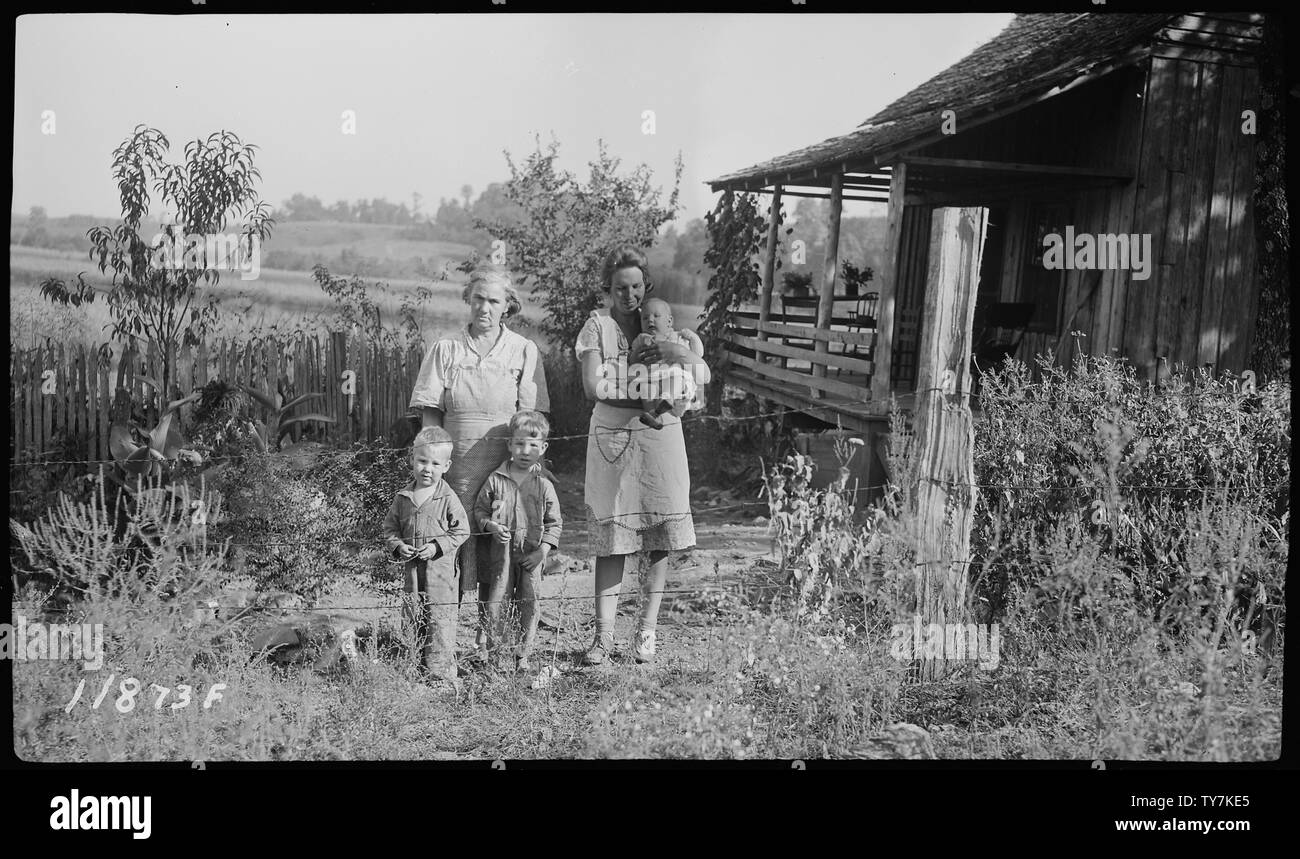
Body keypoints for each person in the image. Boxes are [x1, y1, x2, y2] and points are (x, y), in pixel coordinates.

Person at [575, 246, 710, 665]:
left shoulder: (667, 326)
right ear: (607, 289)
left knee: (658, 537)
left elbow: (697, 392)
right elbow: (591, 387)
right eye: (620, 288)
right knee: (613, 538)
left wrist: (681, 357)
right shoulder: (597, 327)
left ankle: (646, 635)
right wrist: (642, 397)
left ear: (645, 286)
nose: (629, 296)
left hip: (662, 440)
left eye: (636, 286)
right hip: (612, 439)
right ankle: (603, 637)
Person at [409, 264, 550, 663]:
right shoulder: (446, 348)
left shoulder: (523, 350)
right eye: (478, 299)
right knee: (447, 553)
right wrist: (436, 465)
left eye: (494, 301)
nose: (485, 308)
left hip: (505, 470)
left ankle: (494, 647)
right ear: (467, 301)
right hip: (455, 471)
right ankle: (439, 649)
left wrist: (526, 469)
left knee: (499, 552)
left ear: (508, 306)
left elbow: (533, 418)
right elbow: (431, 415)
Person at [472, 409, 563, 673]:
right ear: (509, 444)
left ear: (543, 447)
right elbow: (480, 511)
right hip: (501, 558)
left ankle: (522, 655)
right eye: (519, 443)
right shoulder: (495, 479)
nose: (525, 450)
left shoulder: (544, 484)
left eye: (533, 445)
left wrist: (543, 552)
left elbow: (555, 523)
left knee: (529, 603)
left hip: (531, 558)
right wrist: (490, 526)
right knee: (497, 602)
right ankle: (498, 654)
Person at [381, 427, 470, 692]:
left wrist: (437, 546)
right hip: (412, 574)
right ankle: (413, 665)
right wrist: (398, 547)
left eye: (435, 463)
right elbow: (390, 529)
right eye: (422, 461)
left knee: (439, 619)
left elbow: (462, 530)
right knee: (412, 616)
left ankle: (440, 672)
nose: (427, 469)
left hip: (441, 575)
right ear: (411, 459)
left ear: (447, 465)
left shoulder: (447, 497)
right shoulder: (403, 498)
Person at [629, 297, 705, 429]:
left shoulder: (677, 337)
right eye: (645, 318)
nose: (650, 320)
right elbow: (632, 361)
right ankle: (653, 415)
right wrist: (637, 351)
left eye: (656, 316)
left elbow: (698, 354)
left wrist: (694, 338)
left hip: (673, 378)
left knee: (676, 377)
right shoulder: (641, 339)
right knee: (645, 388)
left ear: (669, 321)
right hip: (651, 378)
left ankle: (667, 399)